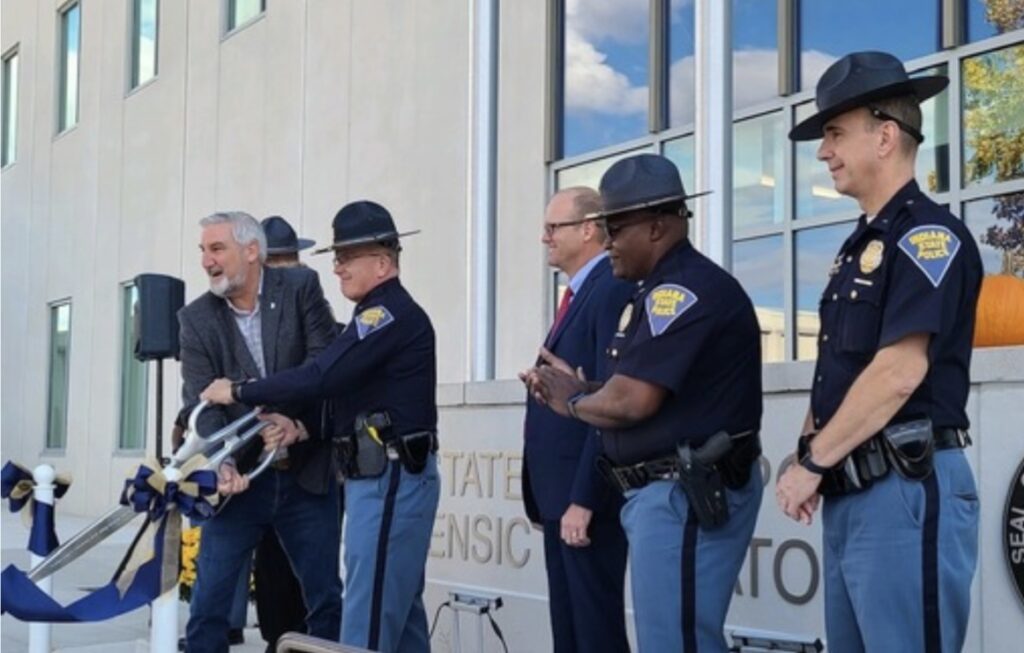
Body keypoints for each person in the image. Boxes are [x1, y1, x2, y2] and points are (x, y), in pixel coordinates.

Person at [778, 51, 982, 653]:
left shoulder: (927, 236)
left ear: (885, 137)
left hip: (904, 490)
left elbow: (899, 372)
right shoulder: (859, 248)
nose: (824, 152)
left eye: (835, 133)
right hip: (855, 490)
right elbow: (841, 373)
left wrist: (813, 465)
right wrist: (809, 453)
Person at [526, 153, 764, 652]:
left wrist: (574, 400)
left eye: (616, 228)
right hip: (660, 493)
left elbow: (632, 400)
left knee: (677, 641)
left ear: (656, 228)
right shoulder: (649, 291)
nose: (607, 240)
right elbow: (636, 387)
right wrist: (587, 390)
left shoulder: (682, 290)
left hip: (684, 490)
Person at [202, 200, 439, 653]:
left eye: (347, 257)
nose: (337, 268)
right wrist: (303, 428)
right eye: (336, 257)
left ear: (383, 263)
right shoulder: (374, 316)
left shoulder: (384, 315)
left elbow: (321, 376)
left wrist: (239, 390)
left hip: (389, 479)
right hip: (385, 476)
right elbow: (347, 393)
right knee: (400, 617)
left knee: (367, 624)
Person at [180, 211, 342, 653]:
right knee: (209, 607)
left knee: (325, 599)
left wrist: (292, 423)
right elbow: (200, 404)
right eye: (203, 250)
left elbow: (325, 368)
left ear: (252, 251)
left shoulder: (301, 288)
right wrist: (222, 462)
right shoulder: (195, 319)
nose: (206, 261)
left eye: (217, 249)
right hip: (241, 484)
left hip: (305, 477)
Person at [518, 187, 632, 653]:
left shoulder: (610, 288)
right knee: (569, 634)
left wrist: (584, 498)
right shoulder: (581, 292)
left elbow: (609, 401)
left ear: (588, 230)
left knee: (594, 633)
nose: (544, 237)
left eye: (553, 227)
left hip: (585, 500)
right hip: (560, 497)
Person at [249, 214, 324, 653]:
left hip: (309, 472)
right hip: (261, 474)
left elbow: (326, 381)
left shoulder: (316, 318)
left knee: (314, 589)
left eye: (291, 264)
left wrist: (296, 425)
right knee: (273, 584)